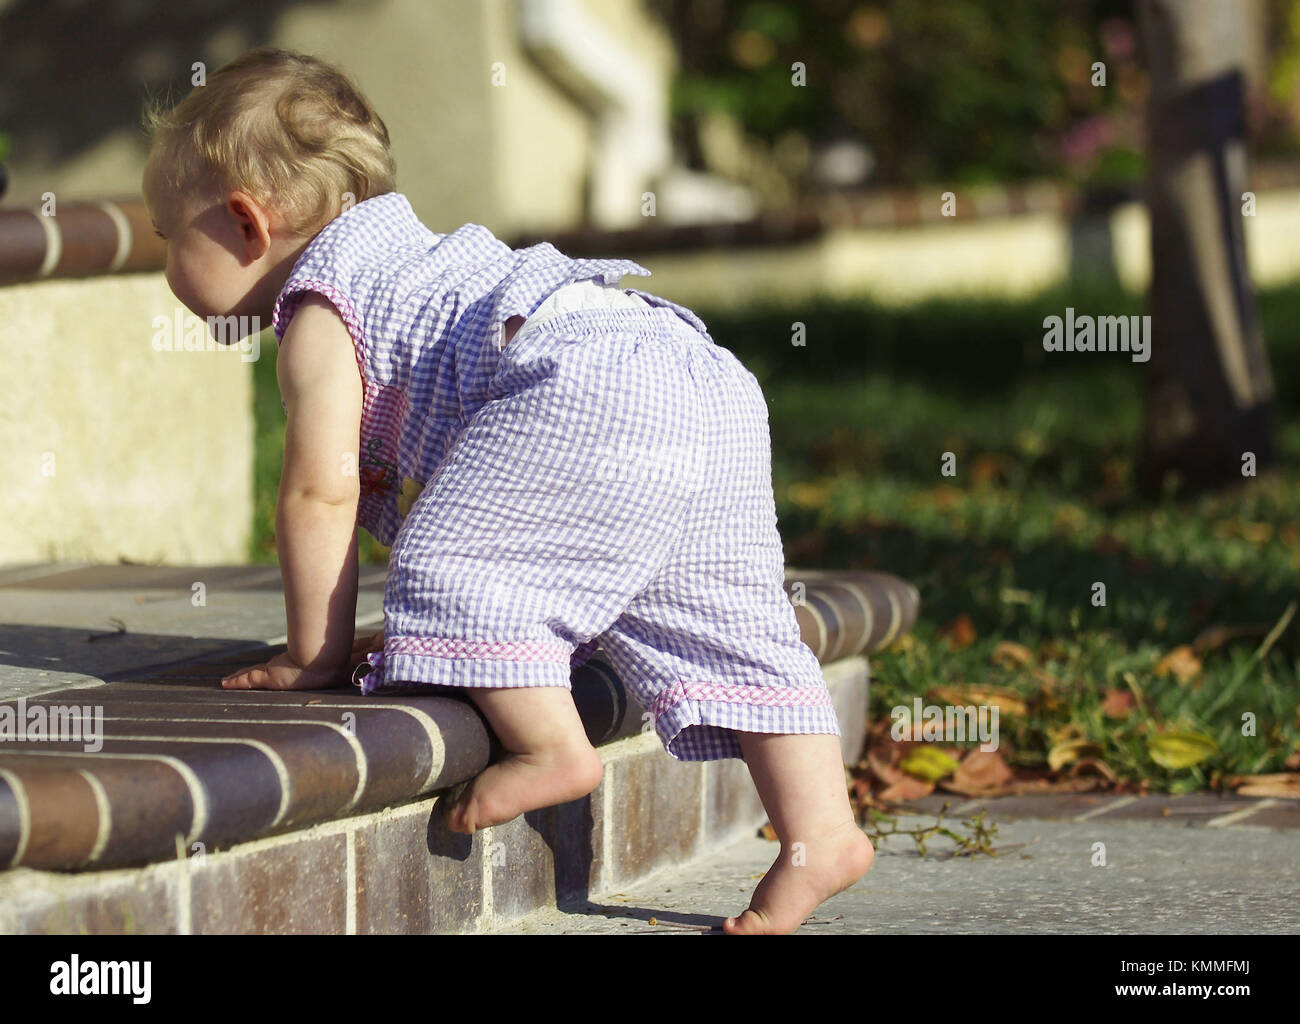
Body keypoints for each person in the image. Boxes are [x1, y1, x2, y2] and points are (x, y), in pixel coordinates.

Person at [141, 46, 872, 934]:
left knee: (452, 566)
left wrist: (315, 656)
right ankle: (820, 833)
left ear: (247, 224)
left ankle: (550, 747)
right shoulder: (412, 257)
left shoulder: (323, 308)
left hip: (586, 387)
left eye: (165, 235)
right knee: (734, 621)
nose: (164, 262)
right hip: (698, 372)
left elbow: (319, 495)